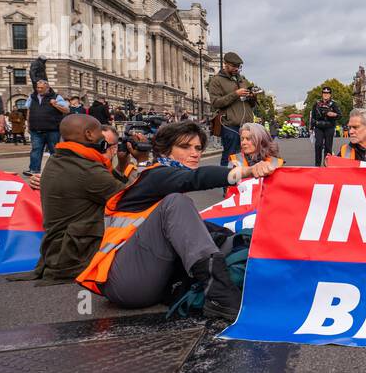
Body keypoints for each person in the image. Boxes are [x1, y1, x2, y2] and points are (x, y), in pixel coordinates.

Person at [77, 120, 276, 317]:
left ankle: (238, 283)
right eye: (185, 146)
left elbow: (191, 230)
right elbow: (195, 178)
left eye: (198, 147)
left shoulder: (163, 183)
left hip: (153, 278)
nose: (195, 153)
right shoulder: (155, 175)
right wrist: (245, 171)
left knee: (230, 238)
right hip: (124, 280)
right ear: (165, 151)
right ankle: (219, 295)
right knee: (177, 203)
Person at [26, 114, 130, 282]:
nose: (102, 139)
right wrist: (142, 161)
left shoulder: (58, 159)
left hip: (59, 250)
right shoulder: (87, 169)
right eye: (99, 134)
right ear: (89, 134)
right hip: (76, 254)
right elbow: (130, 198)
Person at [207, 51, 256, 166]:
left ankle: (243, 181)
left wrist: (252, 97)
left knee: (247, 154)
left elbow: (252, 105)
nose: (236, 69)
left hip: (247, 125)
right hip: (230, 125)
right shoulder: (217, 80)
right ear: (225, 64)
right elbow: (215, 103)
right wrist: (236, 94)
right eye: (234, 66)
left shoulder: (242, 80)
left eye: (239, 67)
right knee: (231, 154)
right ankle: (225, 181)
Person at [24, 79, 69, 175]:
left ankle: (57, 171)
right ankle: (34, 170)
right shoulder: (32, 97)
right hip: (36, 129)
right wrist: (28, 124)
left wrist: (55, 104)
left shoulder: (56, 97)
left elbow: (66, 110)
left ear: (47, 88)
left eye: (41, 88)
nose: (39, 90)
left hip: (52, 130)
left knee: (54, 151)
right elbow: (29, 111)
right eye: (38, 87)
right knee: (36, 150)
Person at [310, 85, 340, 166]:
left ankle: (327, 165)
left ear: (330, 94)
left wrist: (334, 114)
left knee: (328, 147)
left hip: (329, 127)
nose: (326, 94)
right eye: (324, 93)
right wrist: (311, 128)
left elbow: (339, 115)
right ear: (322, 94)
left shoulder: (333, 104)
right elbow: (312, 116)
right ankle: (317, 165)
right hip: (318, 127)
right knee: (318, 145)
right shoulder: (316, 103)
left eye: (327, 93)